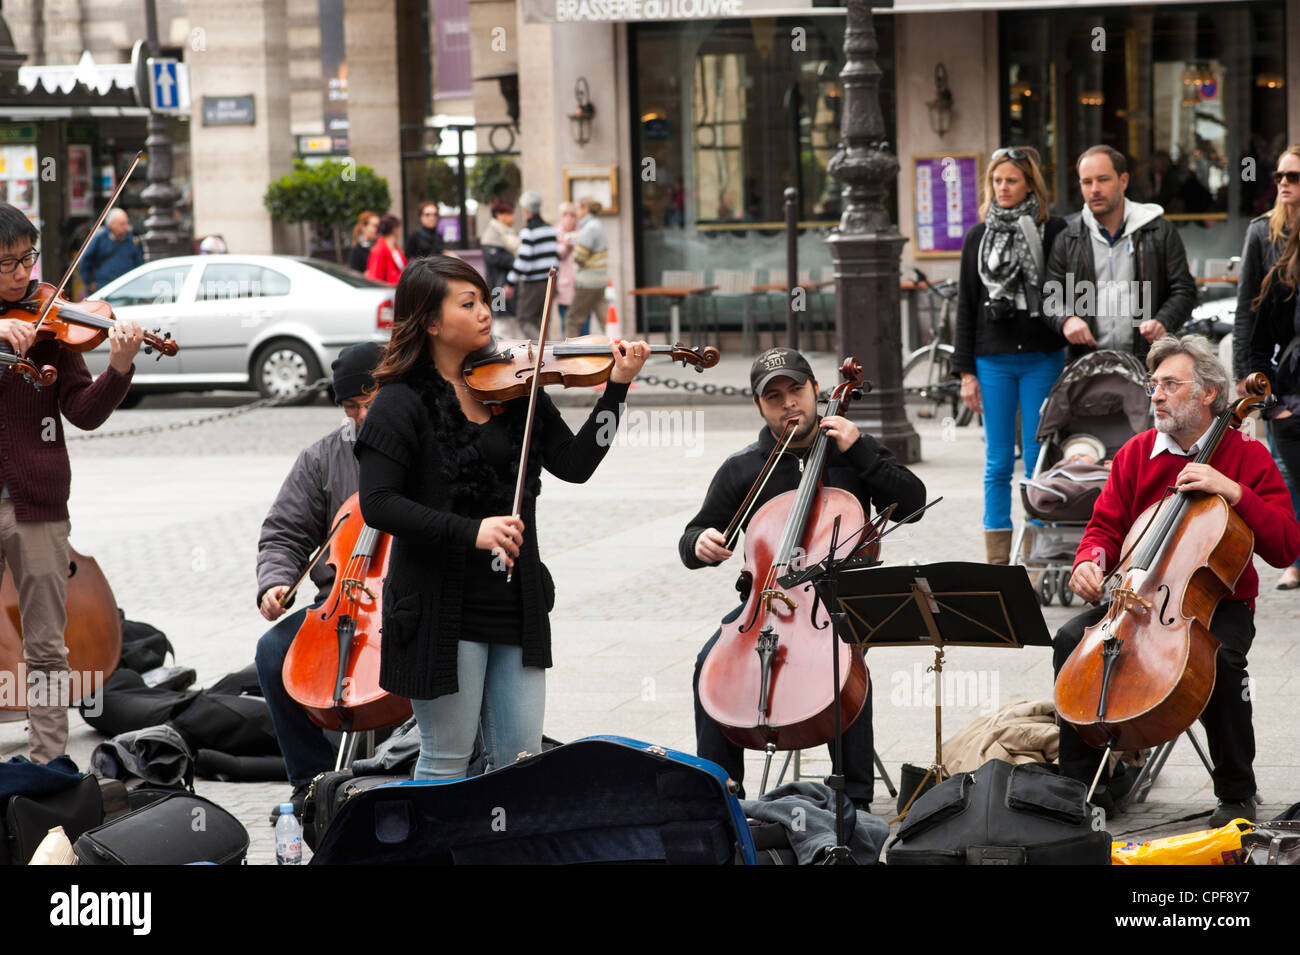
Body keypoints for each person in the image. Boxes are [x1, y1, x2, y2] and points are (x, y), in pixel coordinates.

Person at [353, 255, 650, 780]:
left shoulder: (515, 389)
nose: (485, 313)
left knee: (520, 763)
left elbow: (576, 465)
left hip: (515, 600)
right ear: (430, 321)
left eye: (485, 300)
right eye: (467, 304)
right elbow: (379, 504)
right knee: (446, 759)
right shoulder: (399, 404)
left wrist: (617, 390)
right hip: (441, 604)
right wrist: (474, 531)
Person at [1055, 335, 1300, 825]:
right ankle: (1081, 787)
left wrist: (1233, 491)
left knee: (1221, 663)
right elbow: (1105, 528)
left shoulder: (1246, 457)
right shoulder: (1135, 453)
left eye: (1170, 384)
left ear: (1209, 393)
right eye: (1154, 385)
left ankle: (1236, 789)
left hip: (1219, 604)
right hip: (1137, 595)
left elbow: (1286, 546)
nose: (1157, 396)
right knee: (1068, 640)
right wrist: (1090, 559)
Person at [680, 347, 928, 806]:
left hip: (844, 601)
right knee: (707, 662)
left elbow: (913, 503)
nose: (788, 402)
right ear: (760, 406)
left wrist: (864, 452)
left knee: (842, 663)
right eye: (774, 396)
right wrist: (700, 543)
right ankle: (721, 789)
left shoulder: (853, 450)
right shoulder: (745, 467)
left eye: (796, 389)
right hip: (767, 602)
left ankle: (853, 796)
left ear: (816, 390)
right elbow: (694, 537)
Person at [0, 204, 145, 763]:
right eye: (7, 263)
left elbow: (82, 411)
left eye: (28, 259)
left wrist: (120, 368)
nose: (22, 275)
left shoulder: (52, 321)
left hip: (36, 503)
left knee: (46, 645)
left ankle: (49, 763)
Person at [253, 342, 384, 817]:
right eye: (352, 407)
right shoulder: (322, 457)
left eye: (373, 402)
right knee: (272, 653)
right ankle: (311, 783)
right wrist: (275, 581)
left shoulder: (425, 447)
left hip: (407, 602)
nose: (364, 416)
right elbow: (285, 532)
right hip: (341, 602)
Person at [953, 146, 1068, 565]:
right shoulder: (978, 237)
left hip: (1042, 355)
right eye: (997, 181)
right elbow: (966, 306)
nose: (1003, 188)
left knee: (1039, 460)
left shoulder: (1054, 230)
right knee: (999, 460)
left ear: (1029, 184)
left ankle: (1037, 553)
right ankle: (998, 561)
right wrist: (965, 373)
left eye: (1011, 180)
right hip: (993, 359)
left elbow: (1065, 292)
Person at [1042, 145, 1196, 361]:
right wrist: (1066, 319)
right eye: (1087, 182)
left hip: (1147, 360)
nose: (1094, 189)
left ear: (1123, 181)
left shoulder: (1160, 231)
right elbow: (1050, 296)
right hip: (1087, 362)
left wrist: (1163, 321)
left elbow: (1185, 289)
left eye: (1103, 179)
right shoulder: (1068, 237)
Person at [1235, 144, 1300, 590]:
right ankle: (1297, 560)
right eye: (1279, 176)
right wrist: (1258, 391)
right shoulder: (1263, 233)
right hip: (1287, 381)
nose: (1282, 183)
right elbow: (1247, 314)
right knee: (1290, 476)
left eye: (1293, 177)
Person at [506, 191, 560, 340]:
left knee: (524, 319)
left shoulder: (528, 232)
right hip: (550, 281)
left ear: (525, 210)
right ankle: (545, 355)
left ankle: (543, 350)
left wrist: (510, 282)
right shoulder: (550, 229)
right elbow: (555, 258)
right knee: (544, 321)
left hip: (532, 284)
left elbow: (523, 260)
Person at [565, 197, 609, 340]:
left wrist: (573, 246)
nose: (577, 212)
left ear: (585, 209)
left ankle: (568, 355)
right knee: (606, 321)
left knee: (572, 319)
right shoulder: (598, 225)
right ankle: (619, 349)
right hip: (600, 280)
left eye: (578, 208)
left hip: (587, 282)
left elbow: (579, 257)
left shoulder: (589, 228)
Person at [78, 208, 143, 294]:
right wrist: (89, 282)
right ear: (111, 225)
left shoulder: (132, 239)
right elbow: (85, 261)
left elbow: (138, 262)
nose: (126, 227)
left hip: (127, 287)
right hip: (105, 287)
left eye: (126, 223)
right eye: (122, 224)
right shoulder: (99, 238)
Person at [481, 198, 521, 322]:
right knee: (500, 321)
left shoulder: (508, 233)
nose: (513, 216)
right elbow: (496, 260)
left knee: (511, 320)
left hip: (510, 285)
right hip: (498, 287)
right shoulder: (491, 235)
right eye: (509, 213)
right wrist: (514, 259)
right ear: (499, 215)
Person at [554, 202, 579, 327]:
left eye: (572, 215)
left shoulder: (582, 232)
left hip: (581, 284)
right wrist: (566, 244)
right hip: (564, 285)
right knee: (567, 324)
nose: (569, 218)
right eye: (565, 215)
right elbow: (557, 254)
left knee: (582, 324)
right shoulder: (556, 233)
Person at [365, 215, 406, 285]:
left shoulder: (395, 248)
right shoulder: (379, 250)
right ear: (394, 229)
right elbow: (374, 279)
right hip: (388, 292)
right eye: (399, 227)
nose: (401, 230)